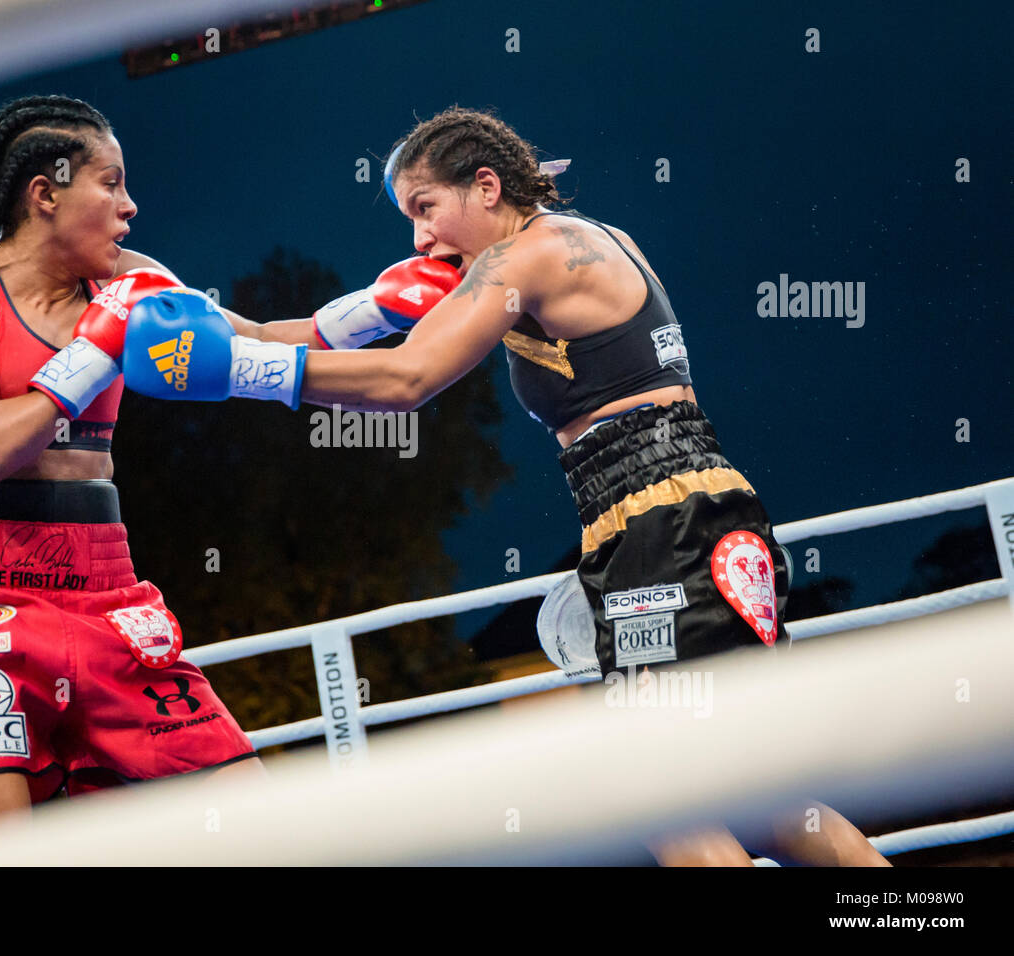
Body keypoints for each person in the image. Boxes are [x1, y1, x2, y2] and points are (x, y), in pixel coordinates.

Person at [121, 107, 889, 867]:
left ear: (485, 186)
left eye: (426, 208)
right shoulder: (587, 238)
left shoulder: (524, 257)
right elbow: (324, 333)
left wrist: (238, 374)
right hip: (706, 520)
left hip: (663, 540)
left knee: (661, 798)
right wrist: (208, 322)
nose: (418, 237)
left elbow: (407, 376)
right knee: (774, 804)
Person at [0, 95, 456, 831]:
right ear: (46, 193)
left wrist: (384, 307)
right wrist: (96, 349)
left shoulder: (130, 279)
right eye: (111, 183)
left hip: (104, 589)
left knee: (259, 828)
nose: (130, 206)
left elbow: (256, 338)